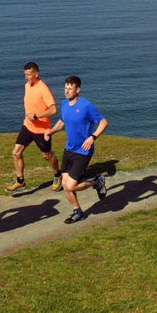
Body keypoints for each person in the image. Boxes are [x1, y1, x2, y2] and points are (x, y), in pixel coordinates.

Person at [47, 75, 109, 224]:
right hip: (69, 149)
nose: (67, 91)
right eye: (65, 88)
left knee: (71, 185)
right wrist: (51, 131)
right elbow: (62, 121)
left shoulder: (86, 106)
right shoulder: (63, 104)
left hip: (83, 151)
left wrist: (92, 137)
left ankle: (96, 182)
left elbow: (103, 122)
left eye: (70, 88)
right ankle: (77, 211)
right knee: (65, 185)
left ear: (78, 89)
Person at [6, 61, 61, 193]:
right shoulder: (27, 86)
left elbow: (54, 110)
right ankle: (20, 181)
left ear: (36, 74)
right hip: (28, 126)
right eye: (25, 74)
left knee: (46, 156)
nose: (27, 77)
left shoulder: (43, 88)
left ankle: (58, 175)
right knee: (16, 152)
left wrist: (37, 116)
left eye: (29, 74)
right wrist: (30, 118)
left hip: (41, 129)